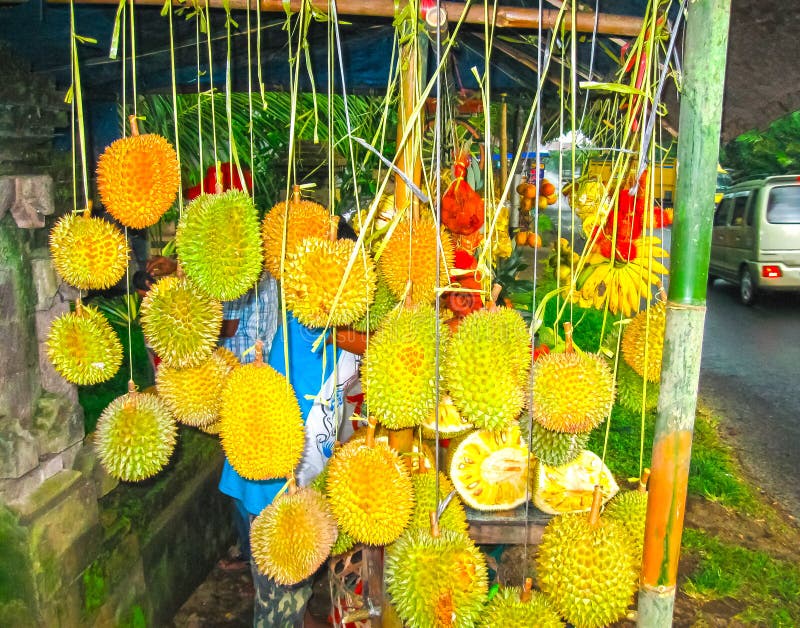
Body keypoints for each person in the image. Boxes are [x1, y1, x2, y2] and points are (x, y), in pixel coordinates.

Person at [218, 218, 366, 628]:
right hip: (268, 480)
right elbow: (361, 340)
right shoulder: (311, 313)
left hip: (294, 477)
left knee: (290, 588)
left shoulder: (347, 313)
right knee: (278, 601)